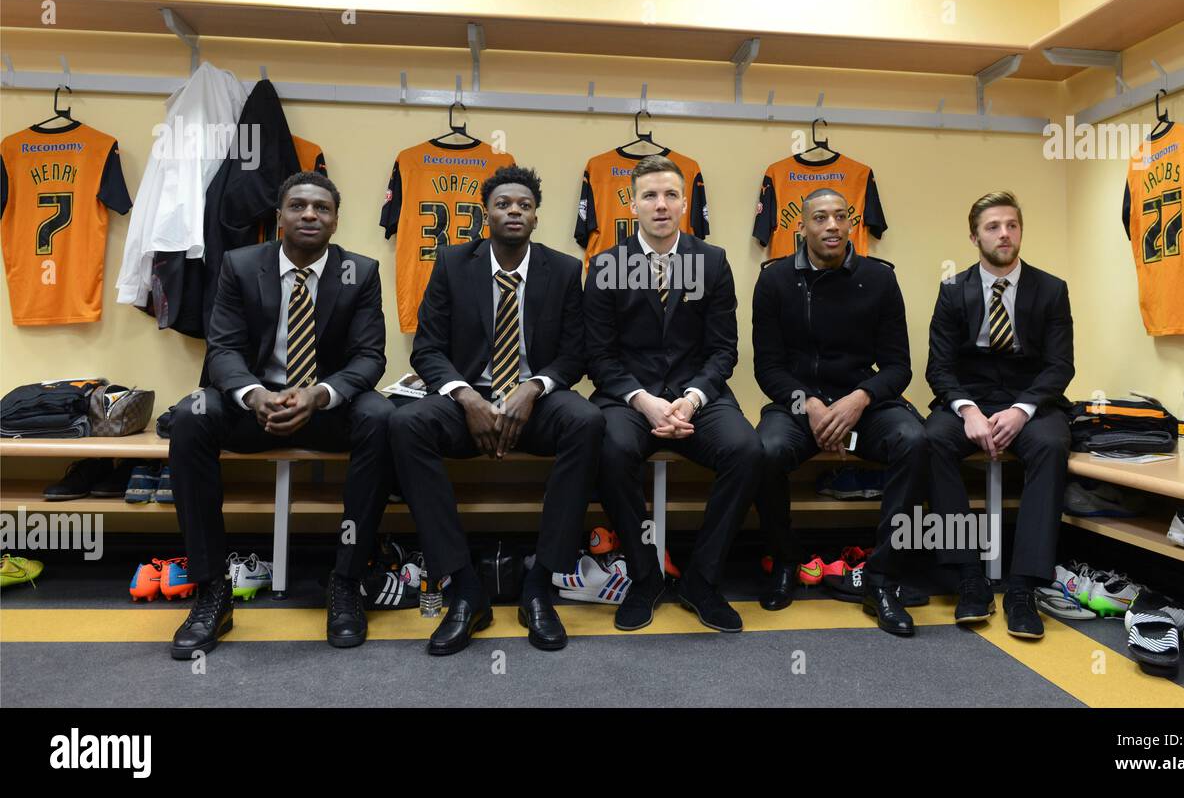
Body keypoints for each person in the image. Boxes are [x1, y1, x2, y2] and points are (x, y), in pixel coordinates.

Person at [167, 171, 394, 658]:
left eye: (322, 208)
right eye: (298, 206)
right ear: (280, 217)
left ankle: (348, 581)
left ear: (335, 221)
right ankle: (212, 589)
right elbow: (223, 346)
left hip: (327, 407)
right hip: (256, 407)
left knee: (381, 416)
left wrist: (321, 394)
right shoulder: (241, 264)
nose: (310, 214)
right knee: (192, 414)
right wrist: (252, 395)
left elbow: (369, 357)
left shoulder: (362, 271)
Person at [389, 166, 602, 655]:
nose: (514, 211)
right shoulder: (451, 263)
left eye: (523, 205)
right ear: (486, 212)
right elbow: (427, 348)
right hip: (472, 400)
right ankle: (464, 589)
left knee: (588, 422)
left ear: (535, 215)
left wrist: (533, 388)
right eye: (504, 203)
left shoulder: (566, 270)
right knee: (405, 425)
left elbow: (576, 352)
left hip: (536, 403)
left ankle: (540, 586)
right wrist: (467, 398)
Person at [585, 155, 761, 633]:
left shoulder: (712, 261)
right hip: (629, 398)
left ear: (685, 203)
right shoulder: (605, 264)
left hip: (697, 397)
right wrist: (643, 400)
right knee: (609, 448)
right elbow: (598, 356)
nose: (660, 205)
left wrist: (692, 398)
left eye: (669, 195)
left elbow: (724, 349)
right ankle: (645, 577)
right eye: (649, 195)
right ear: (633, 203)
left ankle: (701, 580)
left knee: (747, 451)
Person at [752, 188, 927, 636]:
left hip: (863, 402)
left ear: (851, 224)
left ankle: (881, 578)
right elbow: (767, 367)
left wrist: (860, 398)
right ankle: (786, 561)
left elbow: (898, 366)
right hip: (797, 403)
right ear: (803, 228)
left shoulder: (880, 279)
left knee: (914, 440)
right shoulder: (773, 280)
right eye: (820, 218)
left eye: (840, 217)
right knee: (764, 451)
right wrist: (807, 403)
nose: (831, 226)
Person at [924, 191, 1074, 640]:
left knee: (1051, 444)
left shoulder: (1051, 289)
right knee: (930, 440)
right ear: (974, 237)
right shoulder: (953, 290)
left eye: (1011, 225)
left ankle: (1024, 588)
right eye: (993, 227)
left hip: (1031, 398)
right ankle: (968, 576)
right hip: (969, 396)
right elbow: (939, 366)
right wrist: (967, 410)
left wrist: (1022, 410)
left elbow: (1060, 365)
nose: (1004, 233)